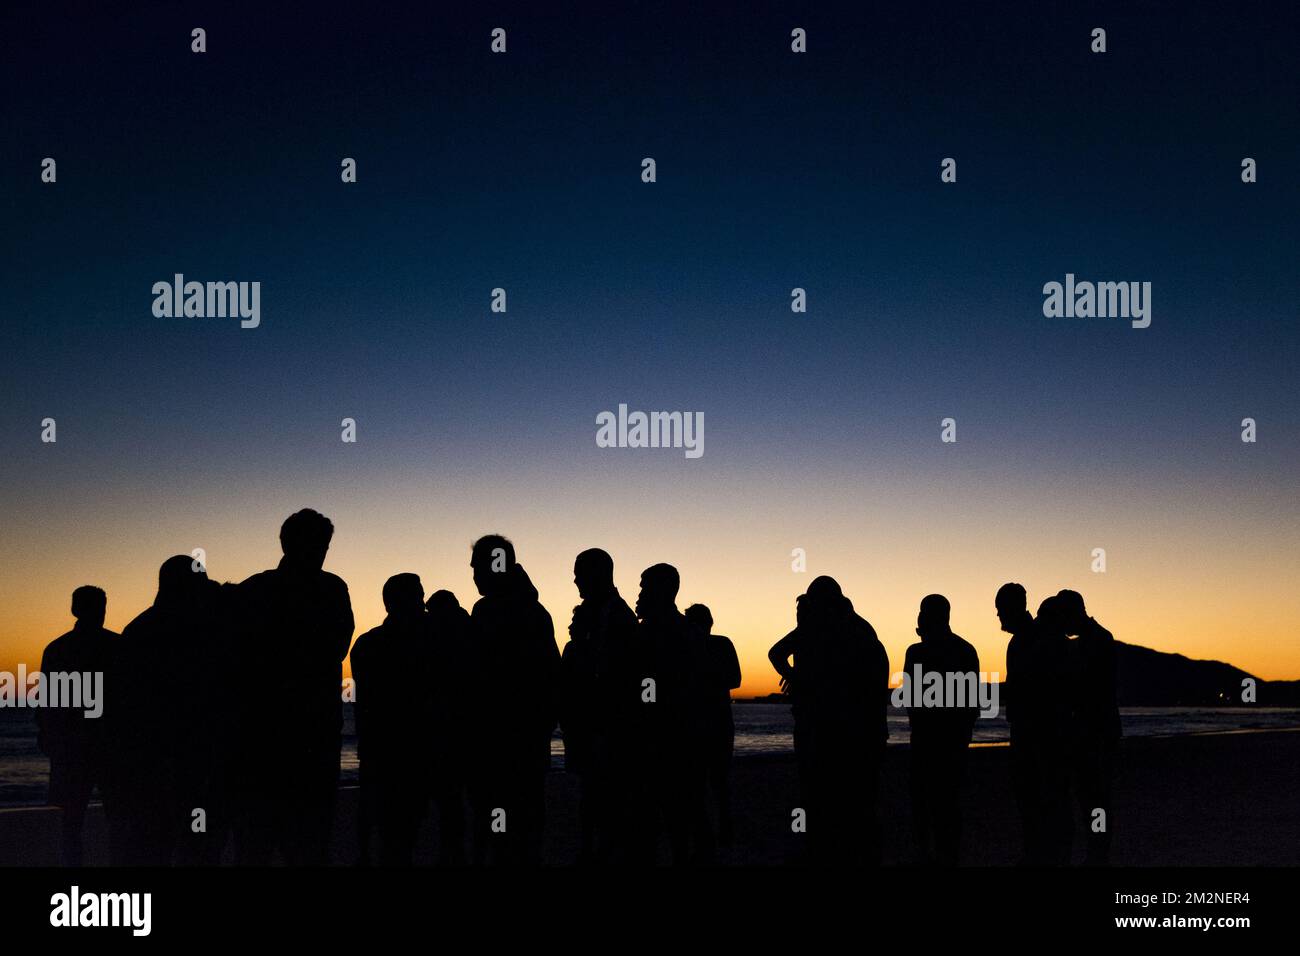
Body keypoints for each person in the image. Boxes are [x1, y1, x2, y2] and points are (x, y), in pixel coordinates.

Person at [233, 509, 354, 865]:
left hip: (265, 737)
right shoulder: (331, 589)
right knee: (306, 842)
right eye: (319, 545)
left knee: (258, 843)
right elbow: (336, 647)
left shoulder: (254, 590)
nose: (321, 553)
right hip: (306, 737)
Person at [110, 556, 234, 865]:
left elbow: (122, 704)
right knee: (199, 842)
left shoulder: (138, 630)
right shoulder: (210, 629)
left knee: (155, 841)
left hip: (154, 760)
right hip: (196, 758)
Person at [768, 576, 889, 864]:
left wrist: (797, 678)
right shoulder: (857, 629)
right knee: (846, 797)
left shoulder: (830, 630)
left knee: (830, 795)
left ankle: (833, 849)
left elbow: (777, 653)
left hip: (838, 730)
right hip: (849, 729)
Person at [466, 534, 560, 865]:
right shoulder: (531, 611)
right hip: (518, 741)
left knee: (503, 823)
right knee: (518, 823)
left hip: (504, 743)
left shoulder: (497, 612)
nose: (474, 575)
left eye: (477, 567)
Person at [559, 548, 638, 864]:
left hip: (606, 729)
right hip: (591, 727)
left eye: (579, 574)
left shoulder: (616, 617)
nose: (575, 580)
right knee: (592, 795)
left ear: (597, 575)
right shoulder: (598, 613)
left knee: (604, 797)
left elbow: (614, 676)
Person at [350, 573, 433, 866]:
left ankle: (366, 855)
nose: (422, 603)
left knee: (386, 819)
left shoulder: (366, 644)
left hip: (382, 746)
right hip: (404, 748)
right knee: (400, 825)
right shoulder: (426, 643)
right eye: (417, 597)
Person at [633, 563, 713, 864]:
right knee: (685, 811)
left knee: (669, 814)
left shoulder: (660, 633)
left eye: (644, 587)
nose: (640, 594)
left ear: (662, 591)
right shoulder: (688, 633)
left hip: (666, 739)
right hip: (683, 736)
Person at [36, 586, 116, 866]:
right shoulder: (118, 647)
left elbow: (48, 704)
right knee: (119, 820)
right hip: (111, 746)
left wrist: (49, 736)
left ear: (74, 610)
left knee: (69, 823)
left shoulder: (57, 649)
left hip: (71, 748)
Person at [902, 594, 979, 865]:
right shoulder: (966, 650)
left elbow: (911, 699)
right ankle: (947, 855)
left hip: (928, 740)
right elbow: (972, 705)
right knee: (947, 804)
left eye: (922, 612)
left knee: (926, 804)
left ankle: (930, 853)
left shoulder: (917, 652)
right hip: (952, 741)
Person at [998, 584, 1071, 865]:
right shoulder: (1028, 639)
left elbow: (1036, 687)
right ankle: (1041, 854)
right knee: (1035, 800)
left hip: (1038, 734)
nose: (998, 616)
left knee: (1039, 799)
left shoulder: (1033, 640)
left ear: (1013, 608)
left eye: (1001, 609)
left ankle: (1044, 856)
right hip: (1033, 731)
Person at [1057, 589, 1121, 865]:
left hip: (1096, 735)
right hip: (1095, 733)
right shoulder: (1095, 638)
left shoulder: (1096, 641)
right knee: (1092, 799)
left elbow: (1088, 689)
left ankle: (1098, 855)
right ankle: (1097, 854)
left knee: (1095, 799)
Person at [683, 603, 741, 849]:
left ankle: (722, 829)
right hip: (702, 722)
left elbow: (735, 679)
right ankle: (710, 832)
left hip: (715, 721)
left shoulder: (720, 644)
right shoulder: (687, 648)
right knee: (700, 783)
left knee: (717, 781)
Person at [425, 589, 474, 865]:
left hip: (449, 731)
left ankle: (454, 851)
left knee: (450, 800)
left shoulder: (439, 636)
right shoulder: (470, 629)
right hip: (467, 730)